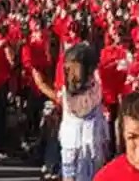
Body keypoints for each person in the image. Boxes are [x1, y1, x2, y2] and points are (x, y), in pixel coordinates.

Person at [59, 42, 111, 181]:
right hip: (75, 144)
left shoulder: (95, 86)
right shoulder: (70, 88)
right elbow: (77, 106)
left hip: (90, 144)